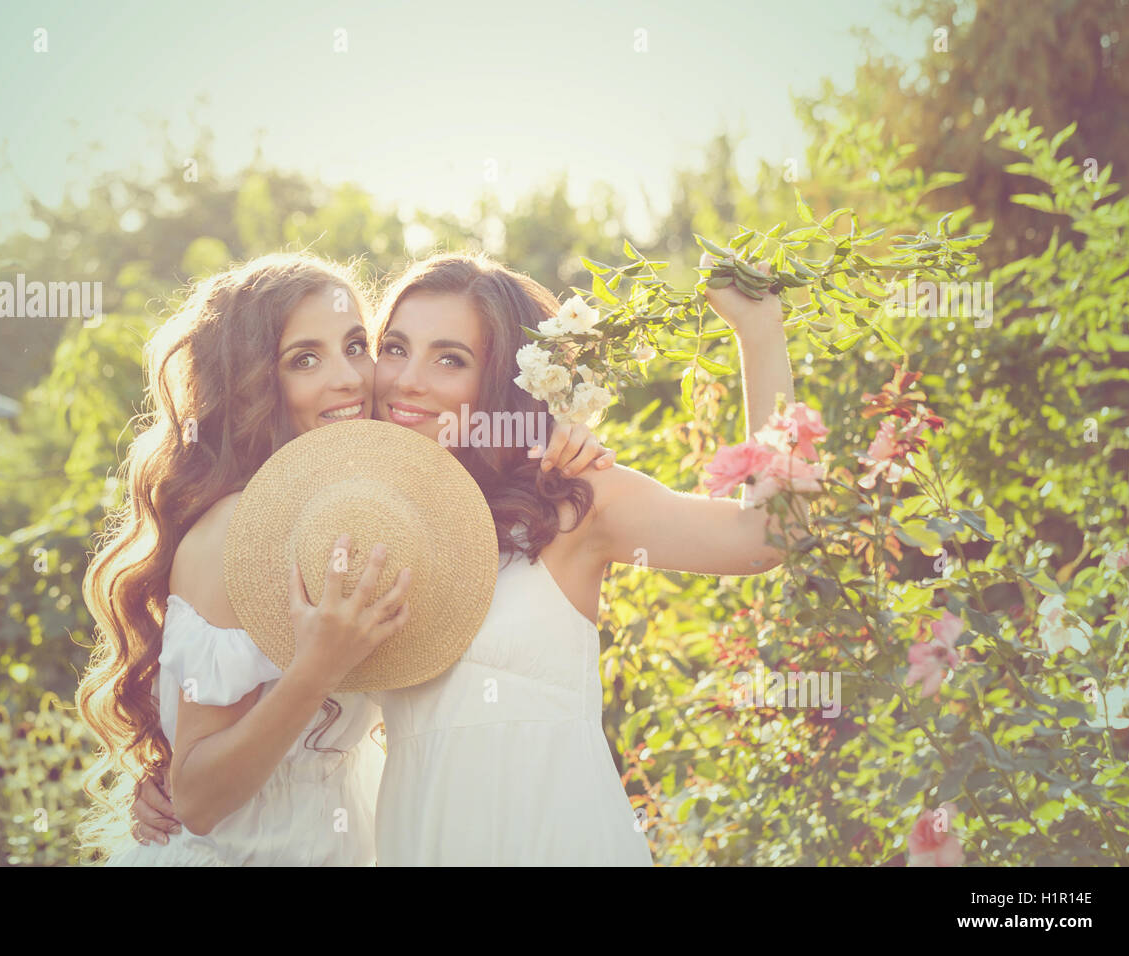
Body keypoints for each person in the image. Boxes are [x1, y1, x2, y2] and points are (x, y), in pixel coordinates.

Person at [79, 252, 613, 863]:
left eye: (357, 346)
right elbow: (198, 800)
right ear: (254, 380)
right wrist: (315, 669)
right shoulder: (231, 531)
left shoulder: (358, 515)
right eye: (305, 359)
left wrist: (564, 434)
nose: (352, 379)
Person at [367, 251, 804, 865]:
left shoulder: (572, 497)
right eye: (394, 348)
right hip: (420, 840)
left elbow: (769, 533)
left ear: (500, 384)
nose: (407, 380)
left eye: (450, 358)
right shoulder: (368, 521)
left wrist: (759, 336)